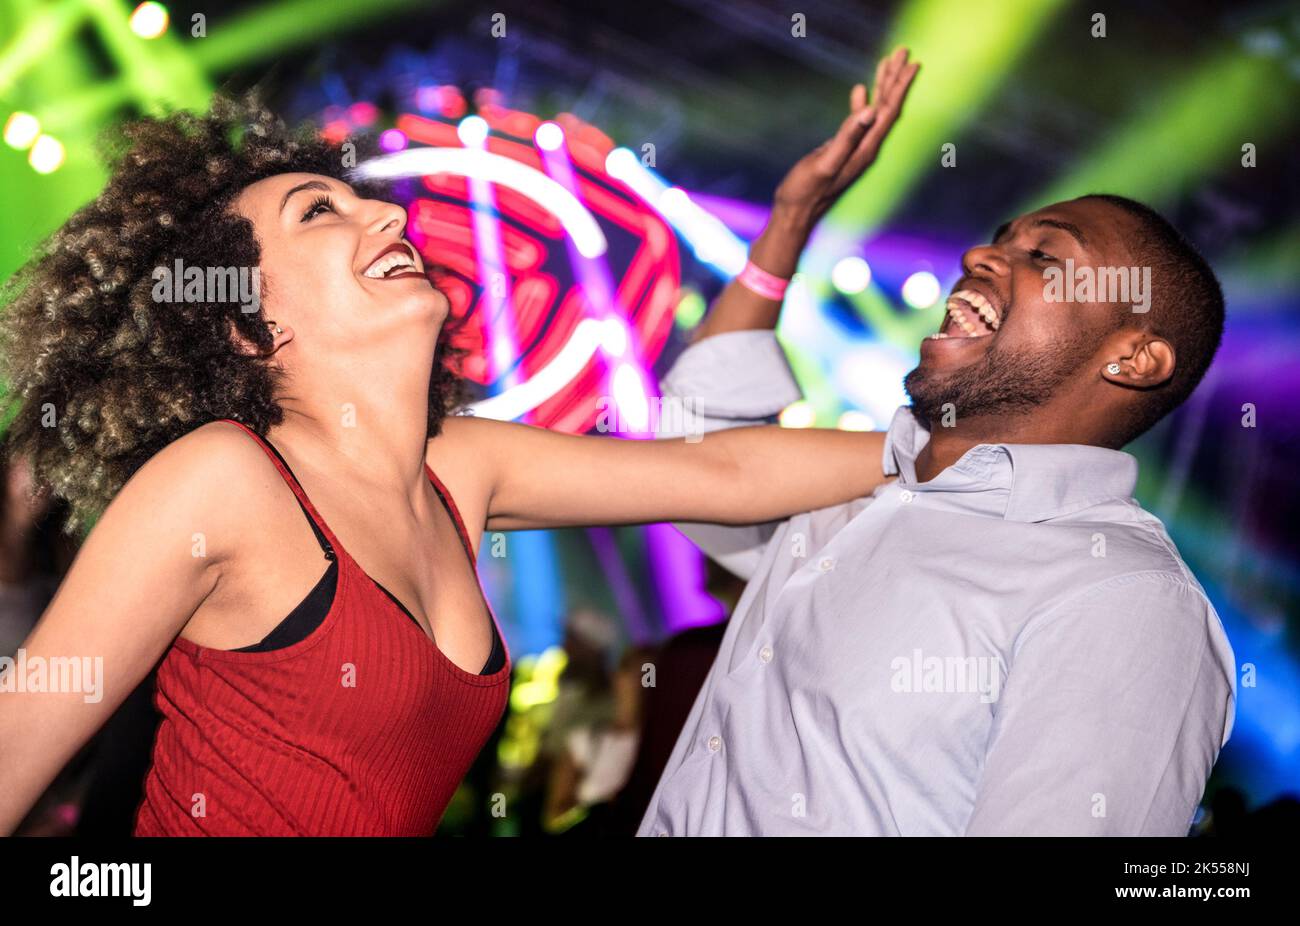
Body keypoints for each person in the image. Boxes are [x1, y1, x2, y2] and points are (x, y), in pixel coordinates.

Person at [0, 83, 905, 835]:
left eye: (362, 199)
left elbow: (723, 474)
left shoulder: (461, 465)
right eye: (319, 212)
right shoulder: (223, 480)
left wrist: (953, 439)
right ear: (248, 325)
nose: (390, 211)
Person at [638, 48, 1237, 836]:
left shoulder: (1119, 598)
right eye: (1000, 238)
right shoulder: (860, 507)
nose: (978, 255)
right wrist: (788, 226)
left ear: (1133, 356)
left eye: (1045, 256)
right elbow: (694, 453)